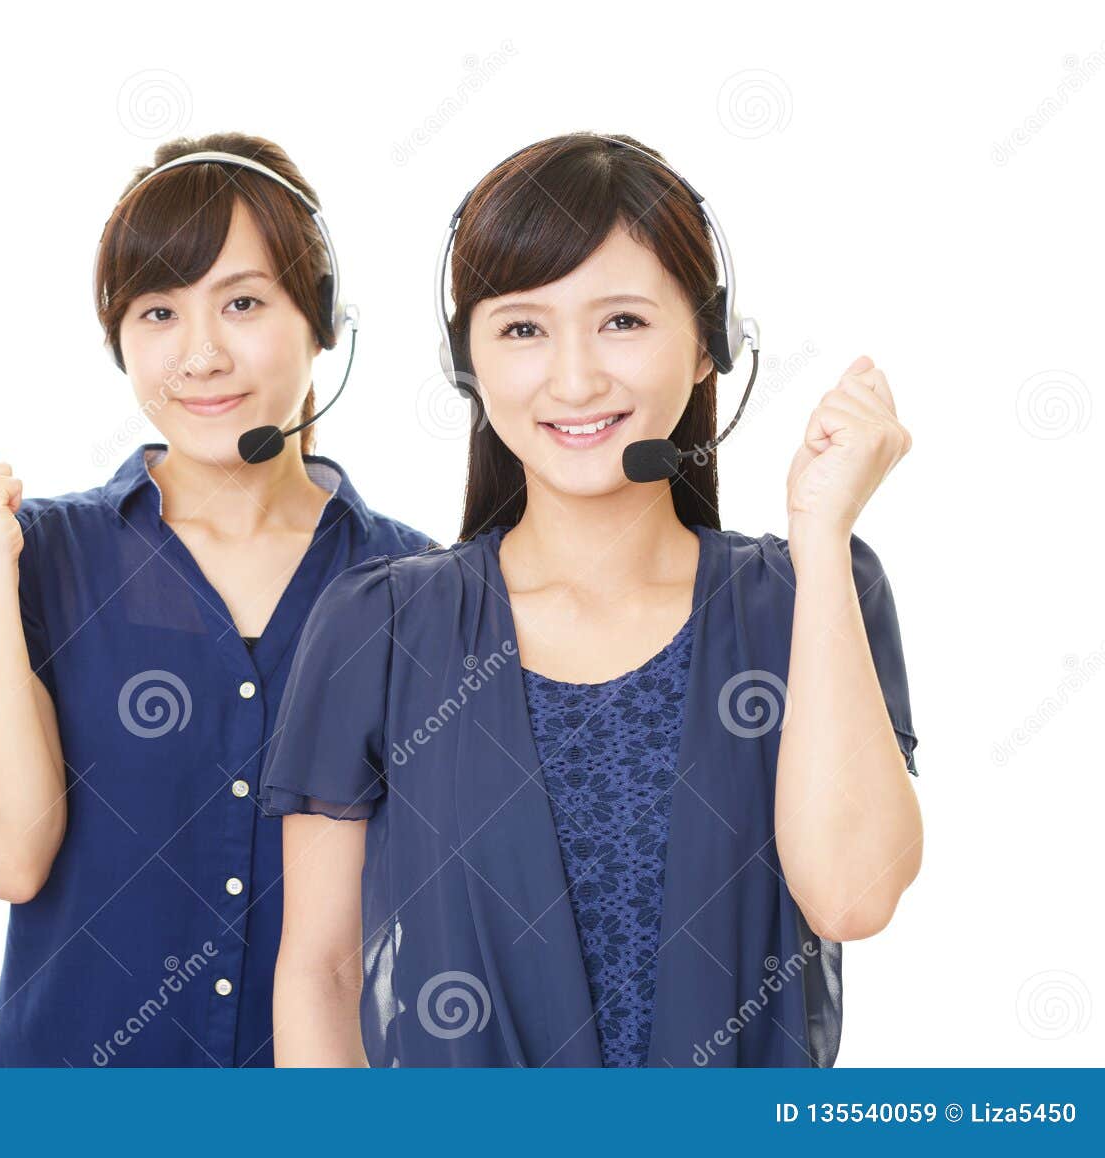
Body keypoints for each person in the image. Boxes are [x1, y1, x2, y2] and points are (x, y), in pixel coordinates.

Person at [259, 132, 922, 1067]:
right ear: (468, 366)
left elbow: (854, 898)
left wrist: (818, 533)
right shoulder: (381, 625)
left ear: (710, 346)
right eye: (523, 328)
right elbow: (321, 974)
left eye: (623, 321)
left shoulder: (812, 595)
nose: (574, 379)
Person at [0, 132, 434, 1067]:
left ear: (321, 319)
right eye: (158, 312)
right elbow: (7, 858)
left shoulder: (415, 588)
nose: (199, 356)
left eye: (242, 303)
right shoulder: (29, 558)